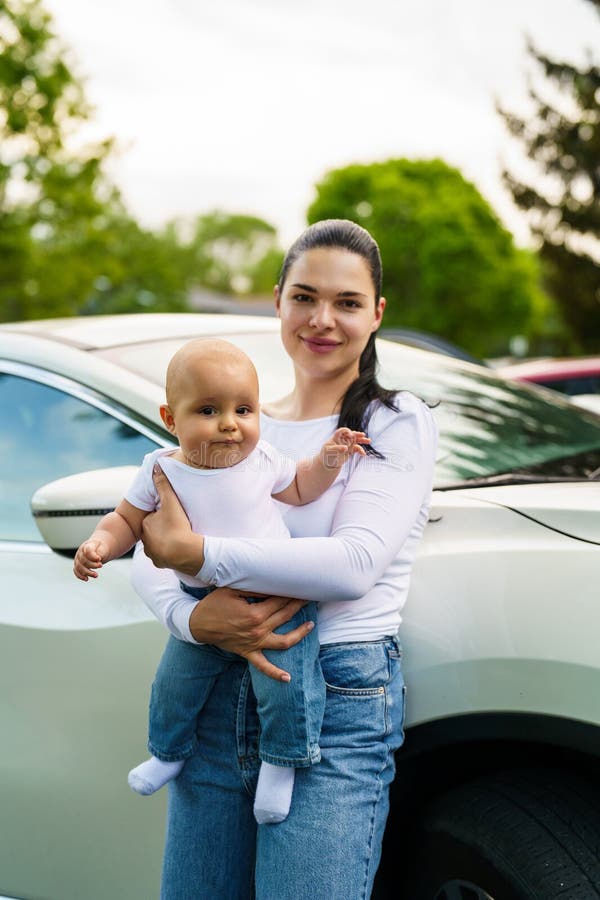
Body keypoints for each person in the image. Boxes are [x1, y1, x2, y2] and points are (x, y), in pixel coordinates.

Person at [132, 219, 438, 900]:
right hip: (216, 694)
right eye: (304, 297)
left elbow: (353, 564)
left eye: (348, 302)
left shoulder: (392, 421)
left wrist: (201, 556)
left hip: (336, 696)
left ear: (378, 314)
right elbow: (151, 547)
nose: (322, 319)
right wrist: (191, 620)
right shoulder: (242, 423)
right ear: (277, 302)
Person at [73, 337, 368, 823]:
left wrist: (330, 461)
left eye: (244, 409)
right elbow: (125, 520)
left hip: (274, 593)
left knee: (286, 685)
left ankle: (281, 762)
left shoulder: (263, 460)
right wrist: (99, 545)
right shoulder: (160, 468)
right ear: (171, 419)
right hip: (197, 600)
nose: (230, 424)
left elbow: (299, 486)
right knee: (174, 685)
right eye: (209, 410)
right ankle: (168, 753)